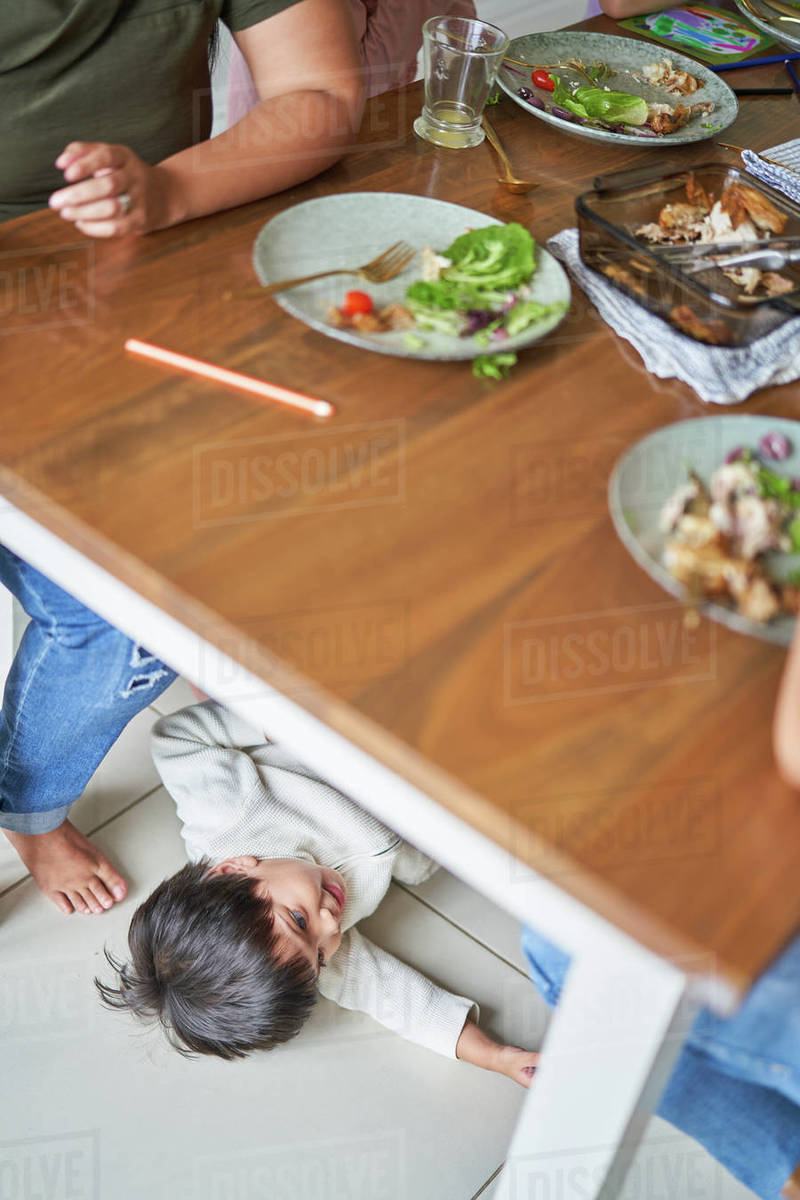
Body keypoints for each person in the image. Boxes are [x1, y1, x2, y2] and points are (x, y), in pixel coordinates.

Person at [0, 0, 365, 911]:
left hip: (134, 276)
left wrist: (165, 192)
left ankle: (27, 810)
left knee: (135, 611)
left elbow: (318, 94)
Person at [97, 700, 541, 1083]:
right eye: (322, 955)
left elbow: (175, 738)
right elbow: (393, 998)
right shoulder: (299, 957)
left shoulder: (224, 815)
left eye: (299, 919)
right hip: (422, 819)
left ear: (233, 869)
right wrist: (495, 1057)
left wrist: (276, 722)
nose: (331, 925)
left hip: (355, 733)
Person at [225, 0, 478, 127]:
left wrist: (473, 65)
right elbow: (357, 89)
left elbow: (464, 26)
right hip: (287, 133)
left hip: (370, 121)